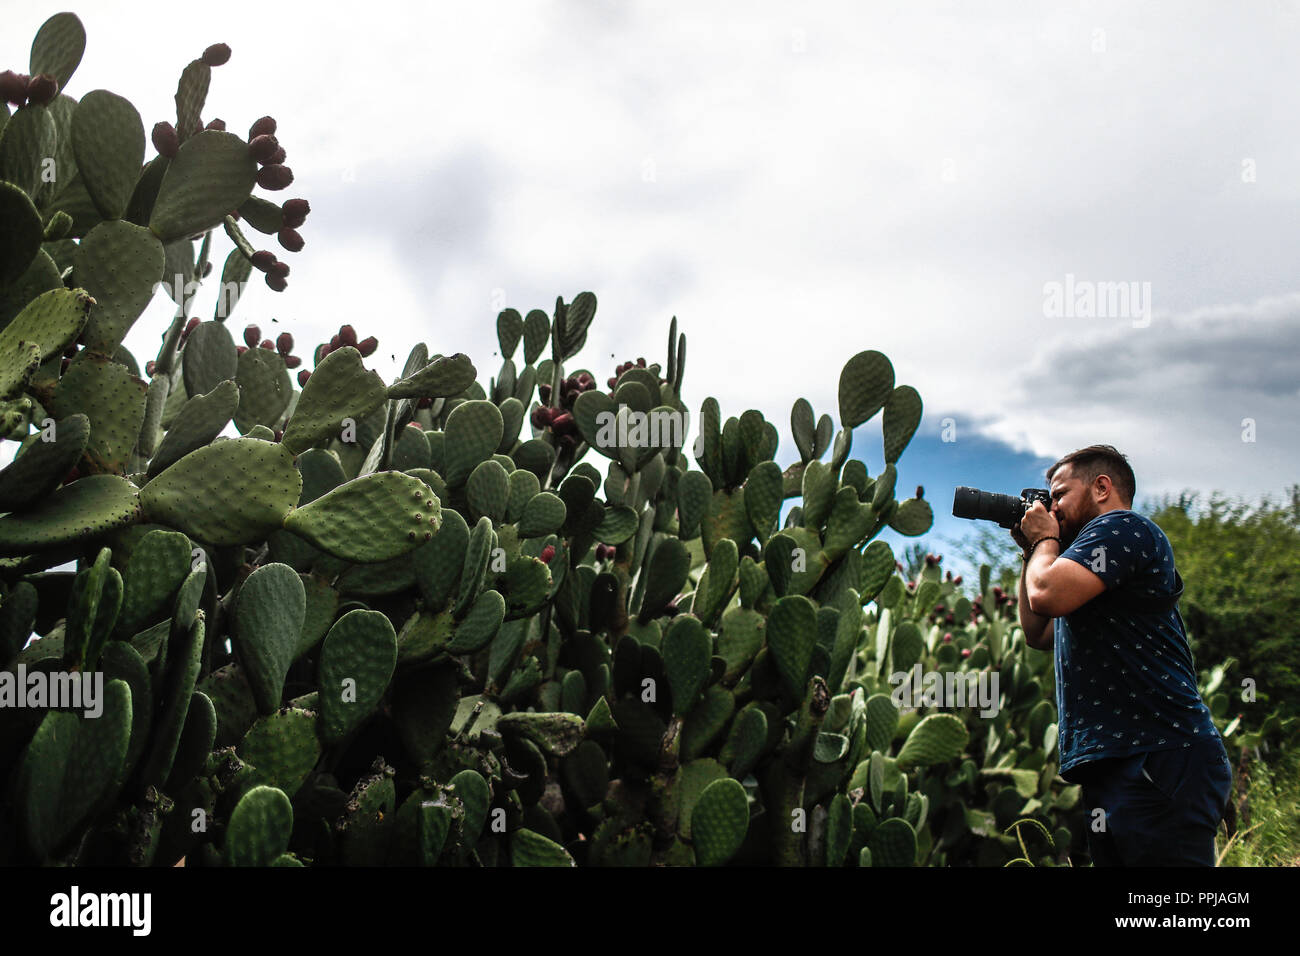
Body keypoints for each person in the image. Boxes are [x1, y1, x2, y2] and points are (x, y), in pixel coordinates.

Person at [1011, 444, 1231, 866]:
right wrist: (1032, 551)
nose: (1051, 507)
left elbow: (1046, 593)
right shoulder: (1088, 566)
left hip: (1157, 756)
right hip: (1117, 761)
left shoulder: (1122, 528)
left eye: (1059, 495)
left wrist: (1045, 540)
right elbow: (1037, 631)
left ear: (1101, 487)